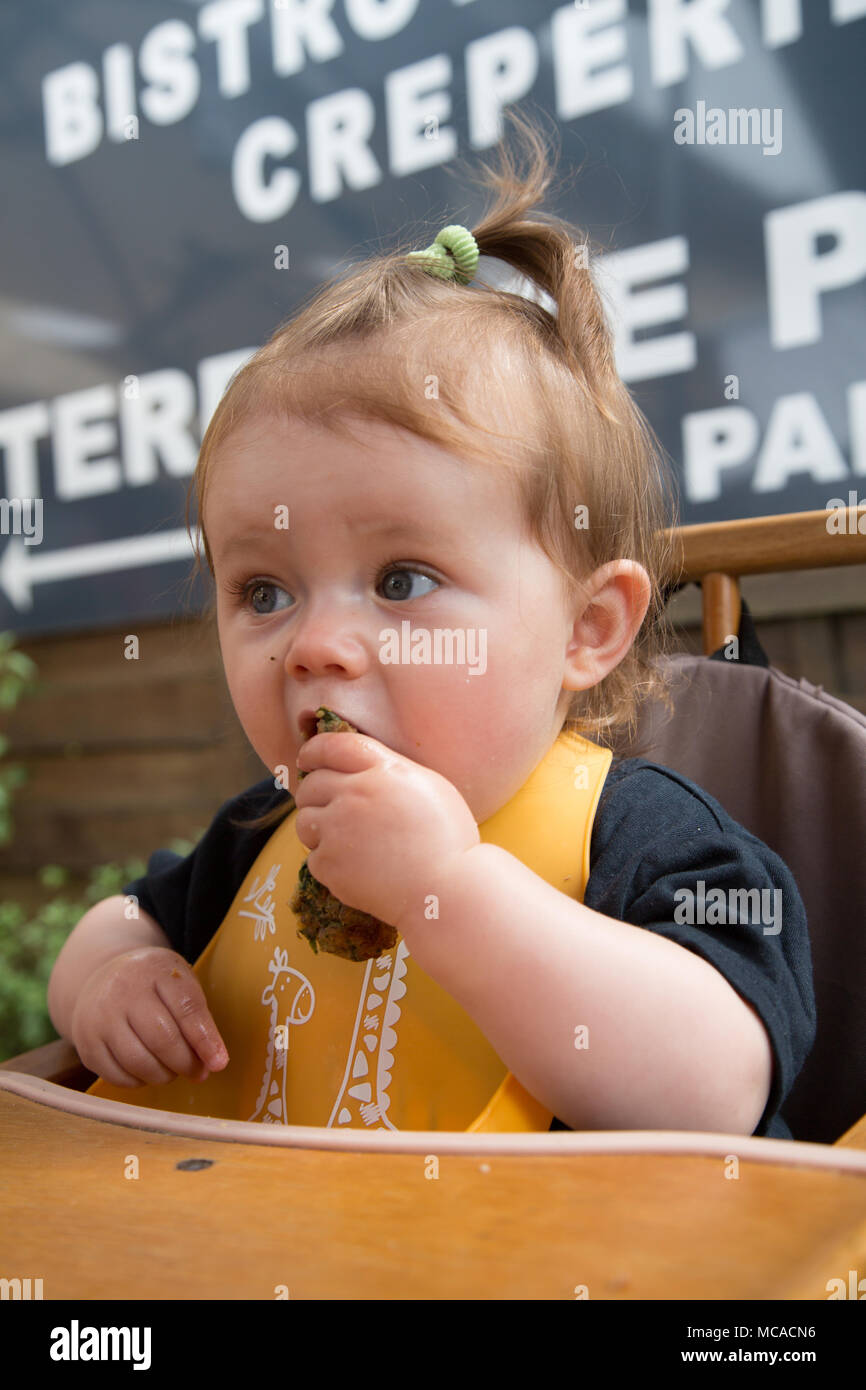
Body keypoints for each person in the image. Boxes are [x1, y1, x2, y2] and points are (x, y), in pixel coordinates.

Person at [47, 108, 815, 1138]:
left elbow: (714, 1087)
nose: (312, 644)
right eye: (263, 592)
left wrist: (448, 889)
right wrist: (115, 975)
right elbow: (118, 920)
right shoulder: (258, 838)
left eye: (402, 579)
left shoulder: (646, 840)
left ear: (587, 627)